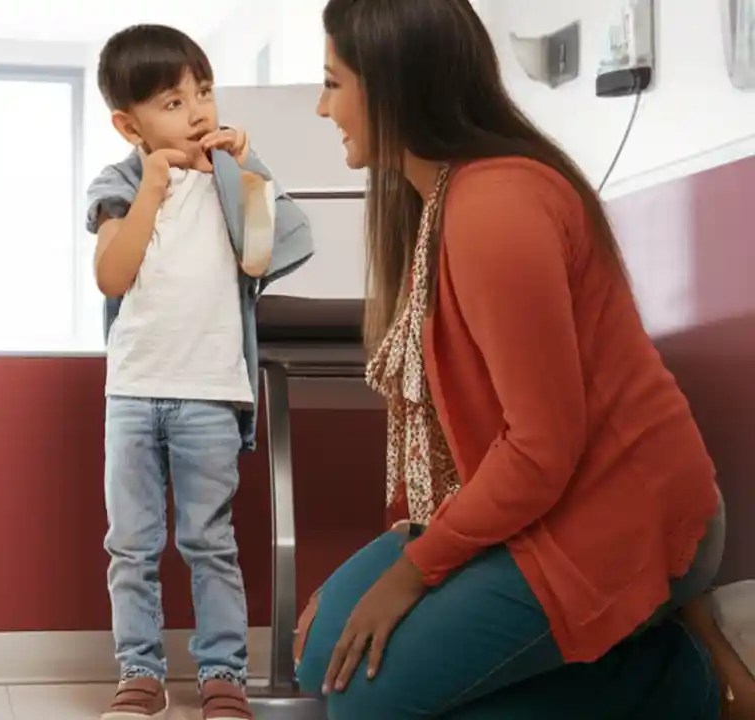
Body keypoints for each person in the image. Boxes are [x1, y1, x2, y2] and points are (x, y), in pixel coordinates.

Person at [292, 0, 727, 718]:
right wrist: (402, 557)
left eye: (334, 82)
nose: (321, 106)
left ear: (394, 85)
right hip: (542, 502)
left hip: (621, 516)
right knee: (322, 662)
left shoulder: (495, 209)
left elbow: (542, 446)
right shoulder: (440, 203)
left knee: (365, 705)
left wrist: (410, 576)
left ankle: (683, 678)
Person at [86, 24, 314, 720]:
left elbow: (261, 257)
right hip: (133, 392)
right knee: (131, 543)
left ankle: (223, 674)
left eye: (204, 92)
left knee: (210, 541)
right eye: (172, 101)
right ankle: (140, 672)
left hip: (212, 391)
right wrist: (153, 184)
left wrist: (250, 175)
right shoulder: (119, 183)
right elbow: (111, 275)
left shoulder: (230, 178)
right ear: (130, 124)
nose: (197, 112)